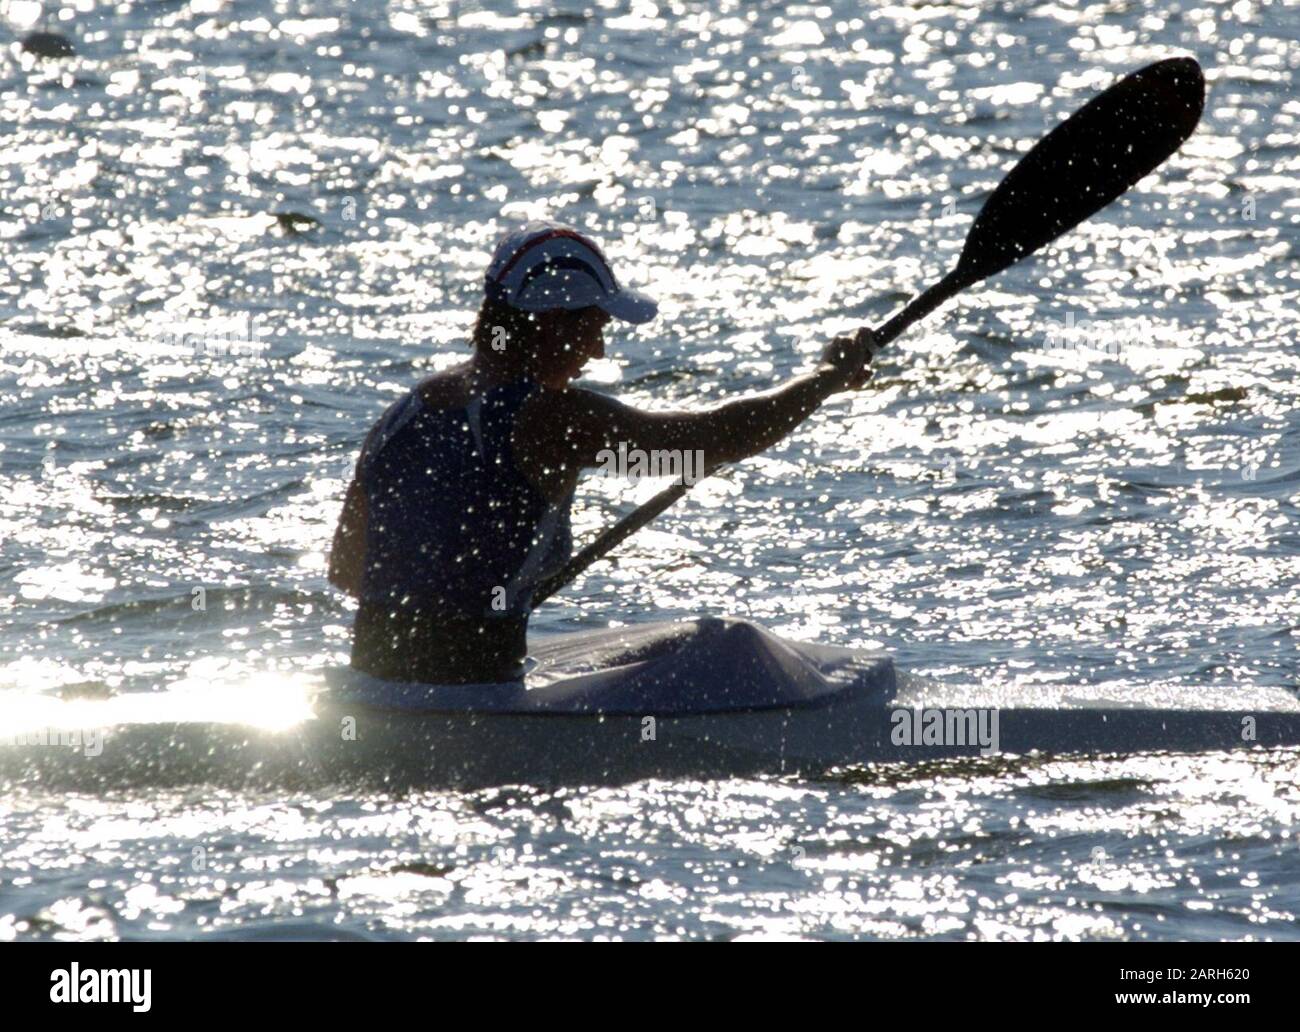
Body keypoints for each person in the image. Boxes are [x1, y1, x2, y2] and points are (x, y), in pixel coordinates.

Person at [328, 220, 877, 684]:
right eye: (593, 327)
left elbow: (347, 572)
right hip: (469, 693)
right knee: (730, 646)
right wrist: (826, 379)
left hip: (373, 685)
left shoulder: (404, 412)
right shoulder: (548, 415)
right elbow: (719, 437)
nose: (599, 347)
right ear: (549, 325)